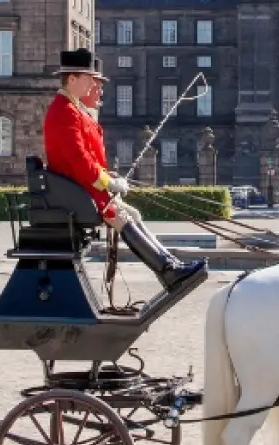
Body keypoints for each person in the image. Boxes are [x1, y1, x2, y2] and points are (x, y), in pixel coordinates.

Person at [42, 48, 205, 291]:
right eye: (88, 78)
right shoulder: (65, 112)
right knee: (121, 217)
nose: (92, 84)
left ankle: (169, 266)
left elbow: (85, 160)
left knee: (133, 215)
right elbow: (78, 160)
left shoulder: (70, 109)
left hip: (81, 190)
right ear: (72, 79)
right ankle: (168, 271)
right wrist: (108, 183)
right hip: (78, 195)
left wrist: (109, 178)